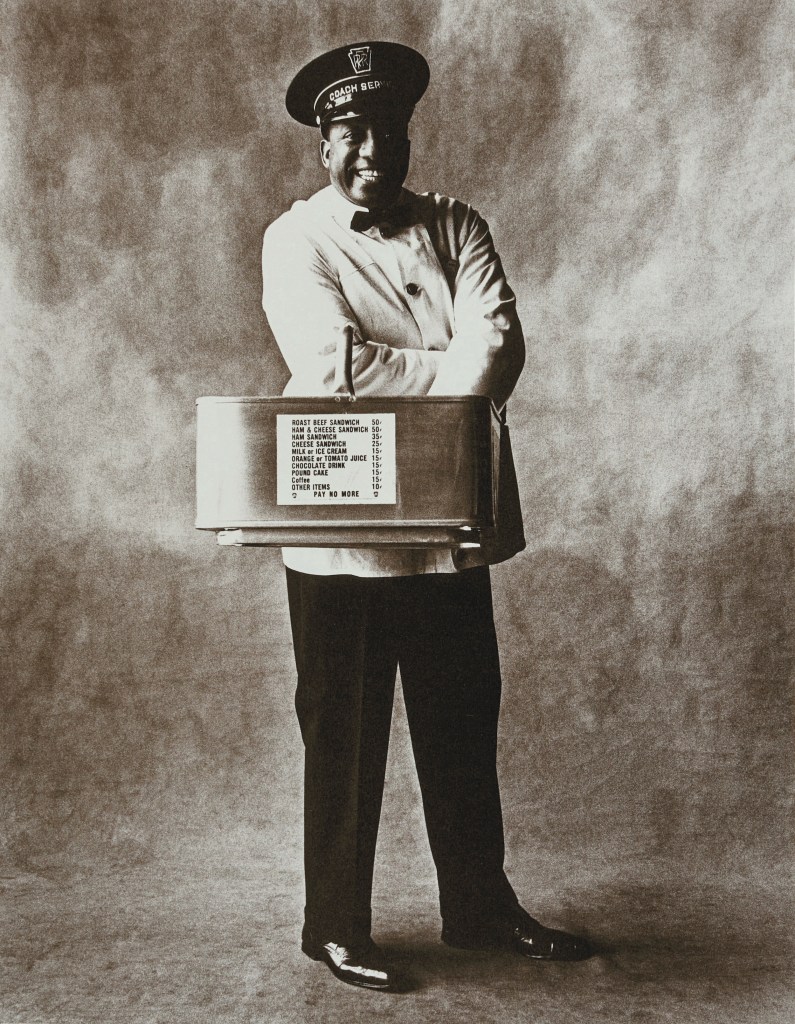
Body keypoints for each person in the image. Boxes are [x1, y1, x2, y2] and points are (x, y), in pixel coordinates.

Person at [261, 41, 592, 991]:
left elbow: (500, 341)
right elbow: (331, 373)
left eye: (389, 130)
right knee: (343, 731)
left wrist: (430, 372)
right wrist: (449, 381)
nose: (373, 149)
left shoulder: (457, 223)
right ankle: (333, 925)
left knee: (459, 722)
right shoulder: (297, 240)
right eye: (352, 131)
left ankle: (479, 911)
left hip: (450, 526)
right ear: (324, 143)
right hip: (347, 538)